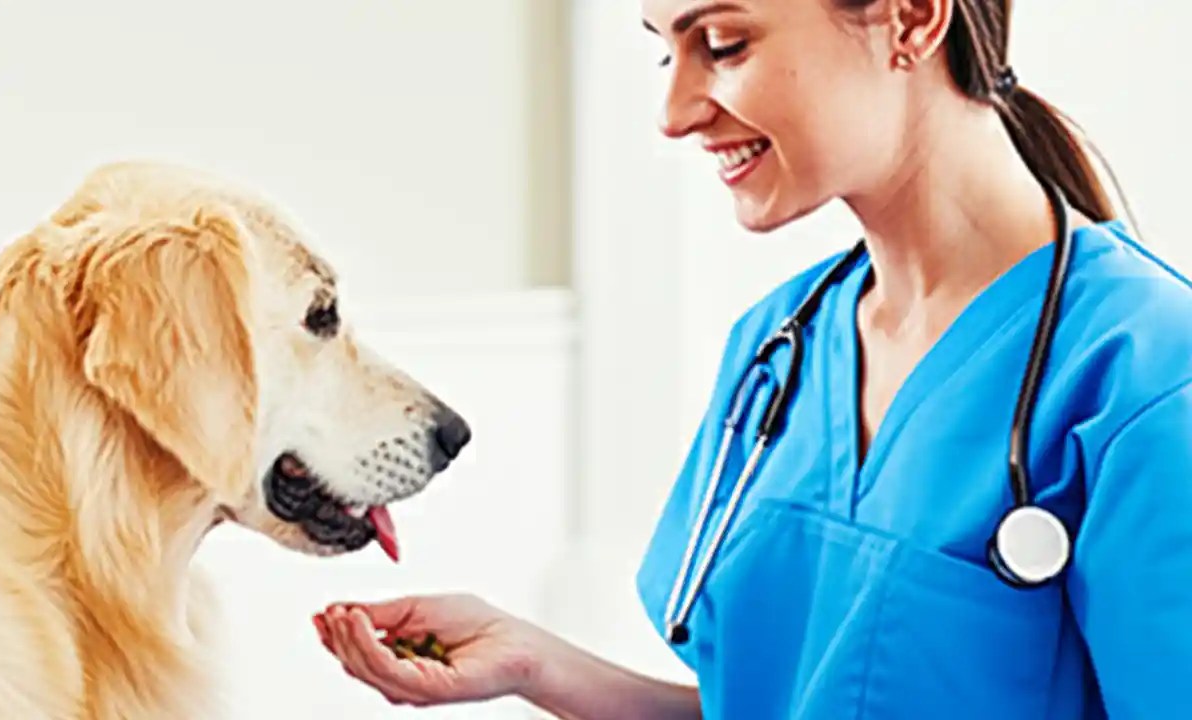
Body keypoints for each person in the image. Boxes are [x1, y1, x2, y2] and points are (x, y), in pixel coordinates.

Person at [313, 0, 1192, 717]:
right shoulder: (780, 346)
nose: (673, 111)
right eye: (666, 54)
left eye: (723, 45)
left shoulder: (1143, 376)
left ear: (916, 19)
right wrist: (539, 666)